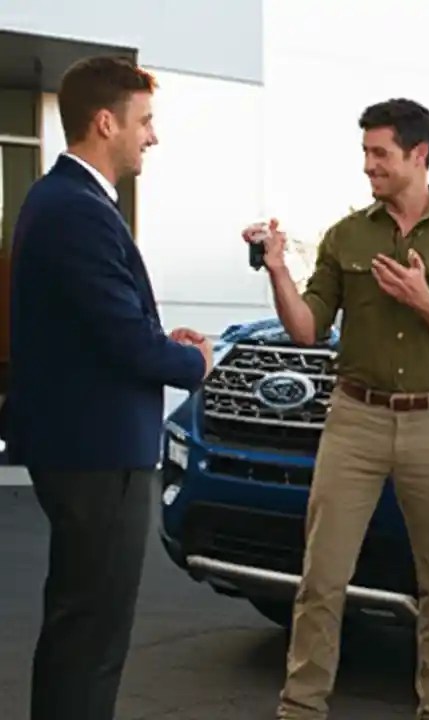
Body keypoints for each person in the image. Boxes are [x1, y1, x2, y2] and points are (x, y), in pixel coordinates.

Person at [245, 98, 429, 720]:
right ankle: (301, 707)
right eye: (365, 153)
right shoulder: (346, 236)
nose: (368, 166)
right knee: (322, 577)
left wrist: (423, 301)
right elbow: (306, 328)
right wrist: (277, 270)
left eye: (379, 153)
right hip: (355, 419)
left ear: (419, 155)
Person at [0, 55, 214, 719]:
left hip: (84, 446)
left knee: (78, 626)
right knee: (91, 634)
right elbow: (121, 342)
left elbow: (103, 323)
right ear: (104, 122)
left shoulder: (65, 201)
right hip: (96, 454)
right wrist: (193, 364)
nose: (152, 136)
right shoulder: (77, 209)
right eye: (144, 121)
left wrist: (157, 336)